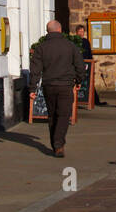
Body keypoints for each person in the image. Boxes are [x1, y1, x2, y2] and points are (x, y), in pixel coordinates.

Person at [30, 20, 85, 157]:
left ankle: (56, 144)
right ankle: (58, 144)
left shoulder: (41, 48)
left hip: (49, 85)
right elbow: (80, 65)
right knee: (64, 115)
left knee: (52, 115)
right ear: (60, 30)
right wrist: (79, 80)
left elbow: (35, 70)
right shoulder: (70, 46)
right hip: (65, 85)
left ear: (47, 31)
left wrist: (32, 89)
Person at [74, 24, 103, 107]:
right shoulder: (74, 42)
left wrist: (91, 63)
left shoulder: (86, 41)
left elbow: (89, 53)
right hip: (77, 65)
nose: (81, 33)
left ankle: (95, 100)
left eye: (82, 31)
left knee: (88, 83)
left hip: (86, 65)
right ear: (76, 32)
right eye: (80, 31)